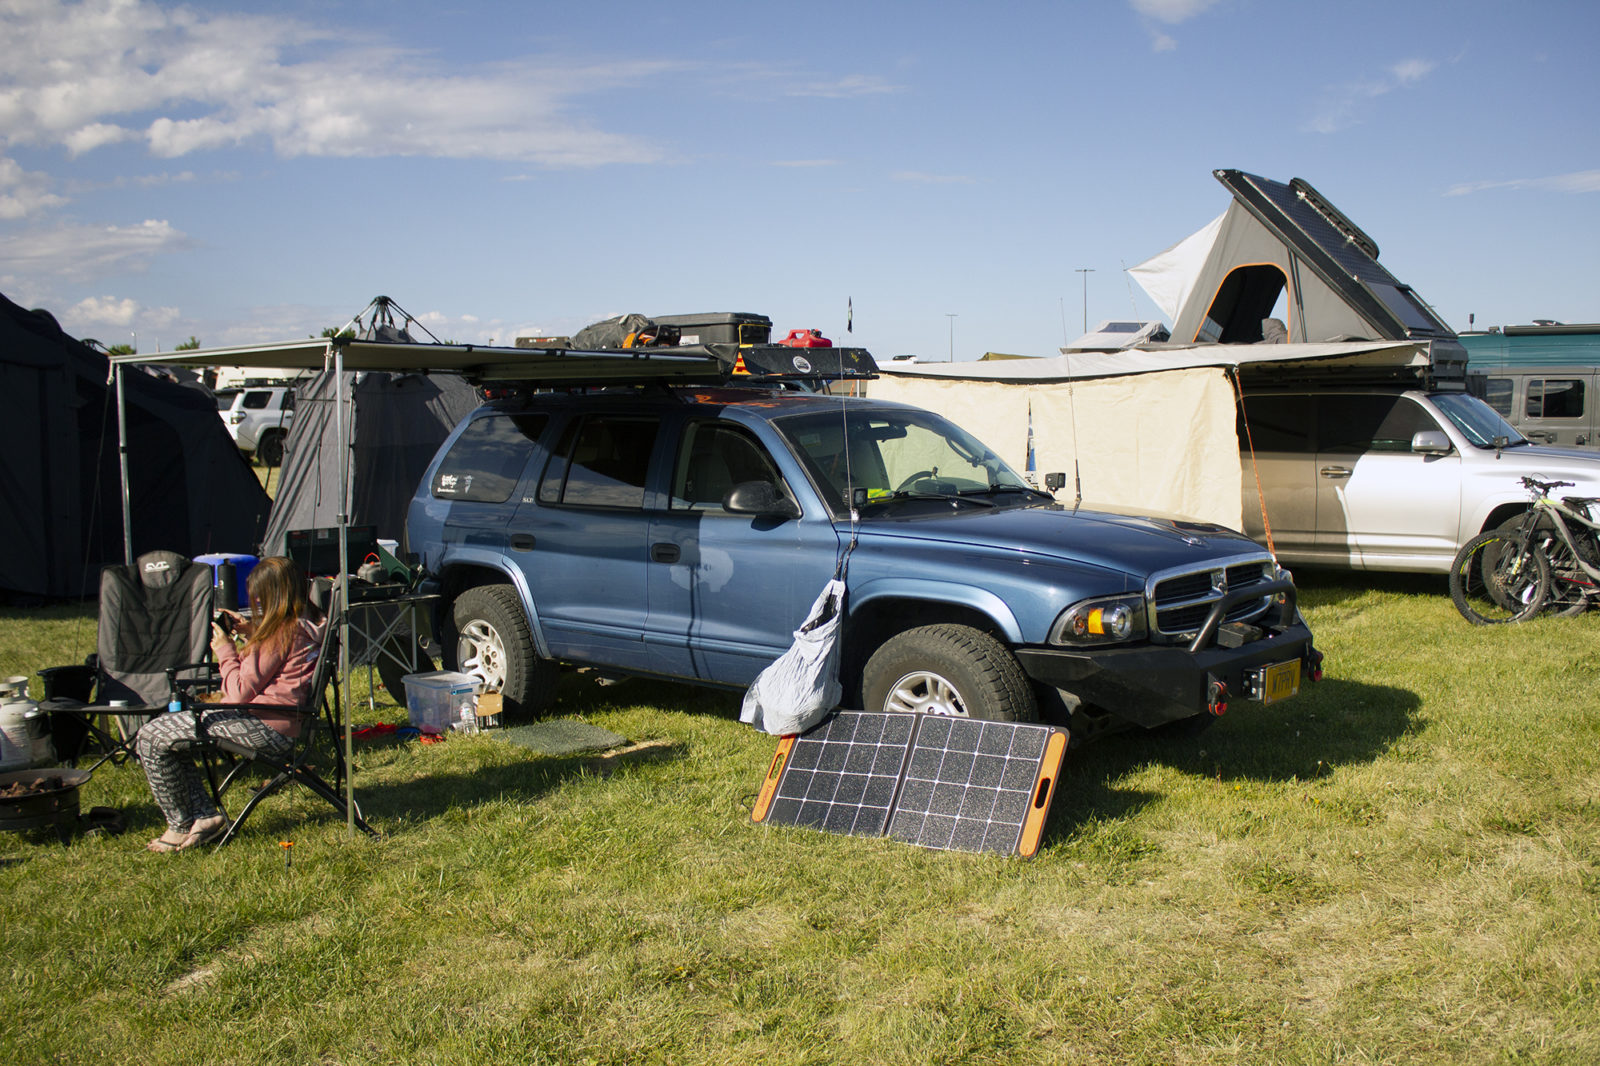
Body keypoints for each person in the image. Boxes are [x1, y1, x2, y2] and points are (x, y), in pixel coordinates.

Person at [138, 556, 322, 852]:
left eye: (259, 599)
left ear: (271, 596)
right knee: (172, 737)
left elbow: (236, 694)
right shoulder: (307, 623)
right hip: (283, 722)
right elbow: (278, 661)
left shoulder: (280, 633)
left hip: (265, 726)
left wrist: (225, 651)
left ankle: (182, 823)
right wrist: (252, 633)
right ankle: (203, 816)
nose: (257, 604)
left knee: (150, 736)